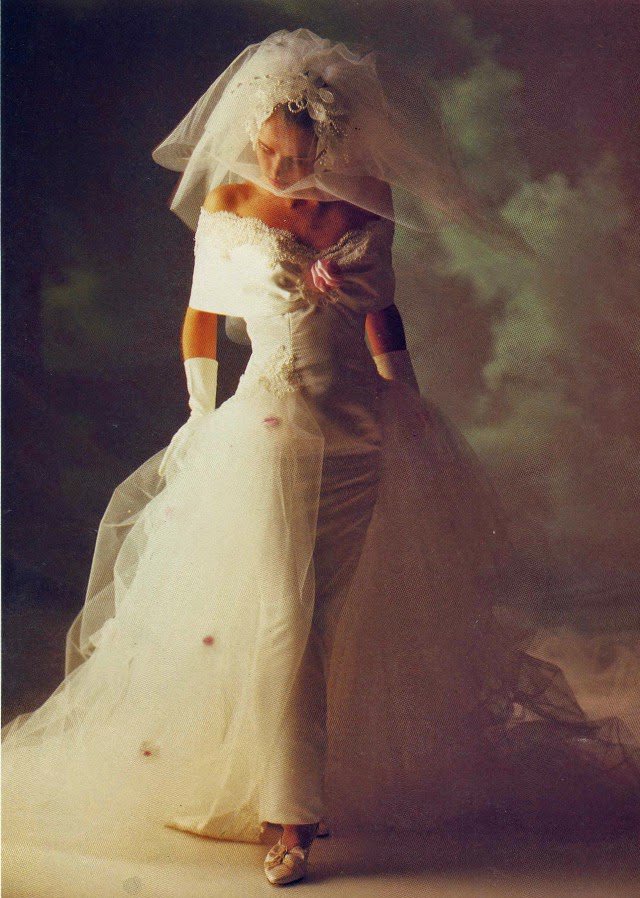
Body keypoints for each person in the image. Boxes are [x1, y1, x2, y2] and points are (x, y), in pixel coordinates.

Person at [2, 27, 639, 892]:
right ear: (253, 132)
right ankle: (290, 819)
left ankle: (299, 789)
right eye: (269, 150)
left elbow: (382, 313)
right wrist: (199, 416)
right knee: (283, 617)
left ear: (330, 145)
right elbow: (200, 318)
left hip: (359, 432)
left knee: (328, 620)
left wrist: (407, 402)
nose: (280, 167)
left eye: (298, 156)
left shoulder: (368, 201)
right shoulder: (231, 199)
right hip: (267, 426)